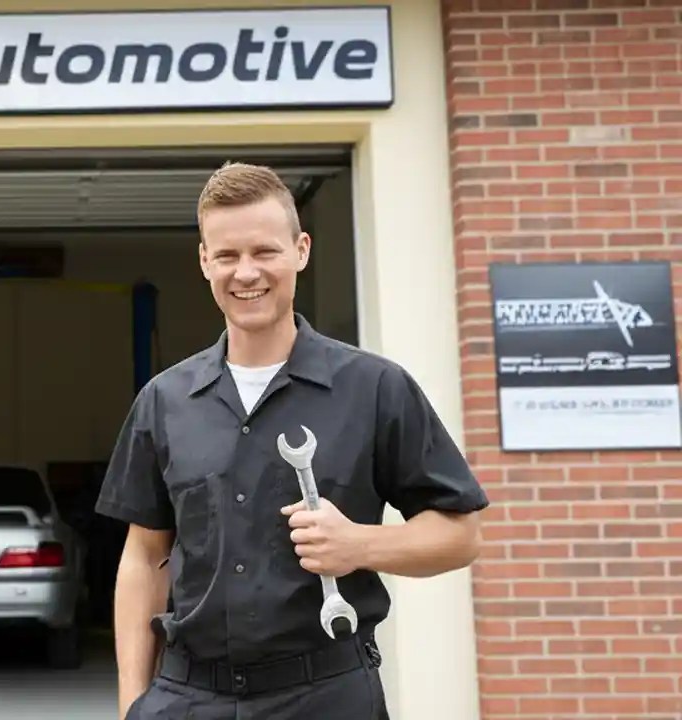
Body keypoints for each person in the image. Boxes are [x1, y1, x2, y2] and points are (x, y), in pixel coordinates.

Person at [95, 162, 489, 719]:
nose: (246, 272)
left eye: (265, 251)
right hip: (187, 698)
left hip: (325, 695)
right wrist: (133, 702)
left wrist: (359, 545)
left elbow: (461, 534)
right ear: (205, 260)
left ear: (301, 249)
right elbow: (144, 555)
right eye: (227, 256)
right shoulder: (164, 400)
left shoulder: (376, 388)